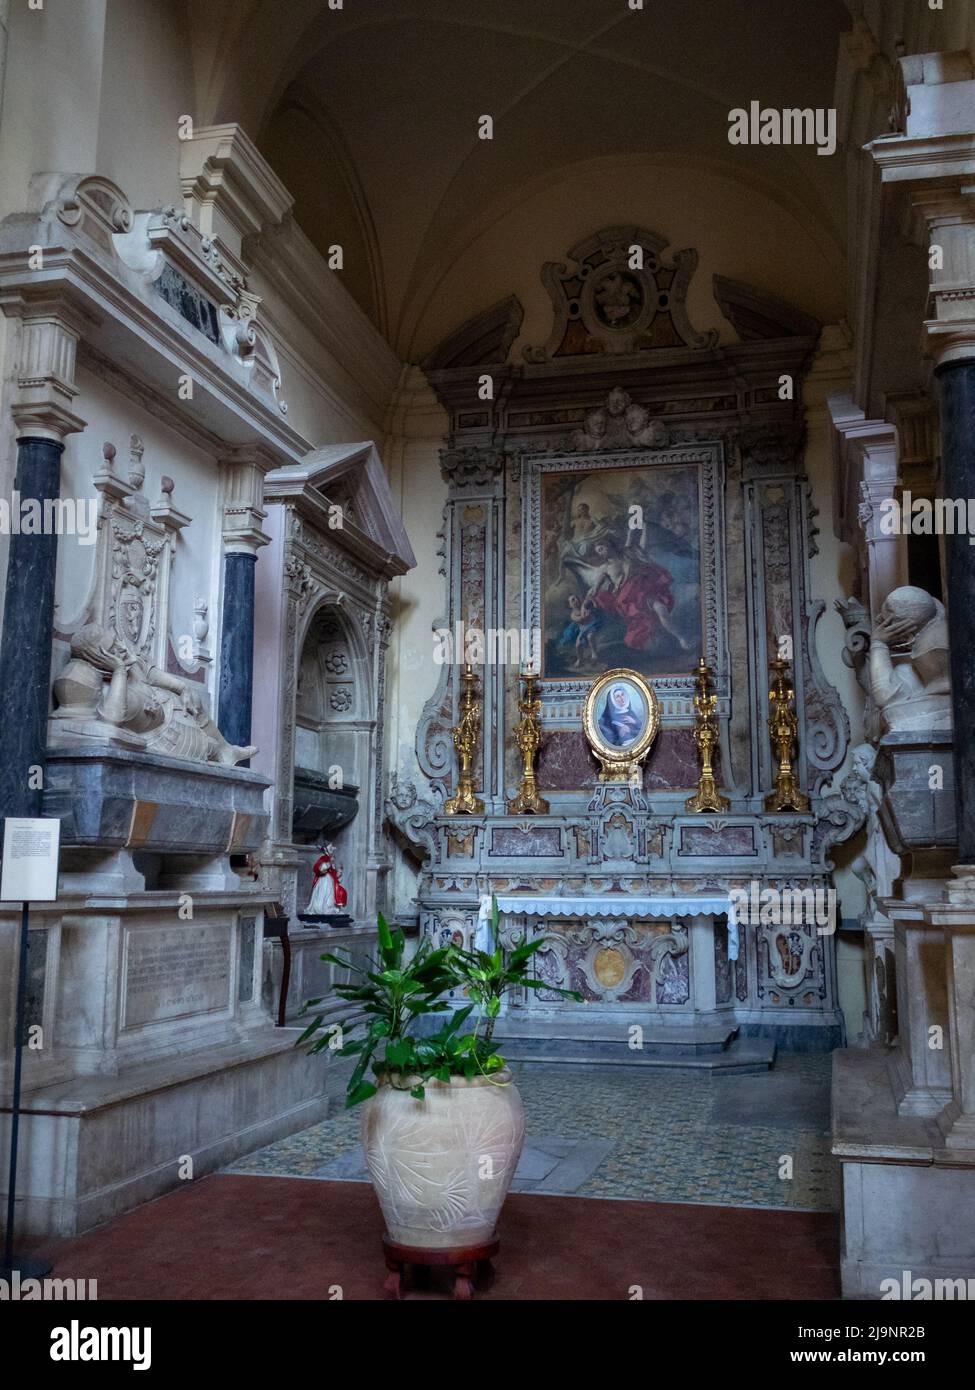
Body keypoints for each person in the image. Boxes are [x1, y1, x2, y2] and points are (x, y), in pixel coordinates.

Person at [598, 683, 644, 747]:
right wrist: (620, 734)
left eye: (622, 695)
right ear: (612, 700)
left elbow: (643, 731)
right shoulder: (606, 719)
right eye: (618, 696)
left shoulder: (630, 713)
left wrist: (634, 722)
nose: (622, 698)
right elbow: (607, 741)